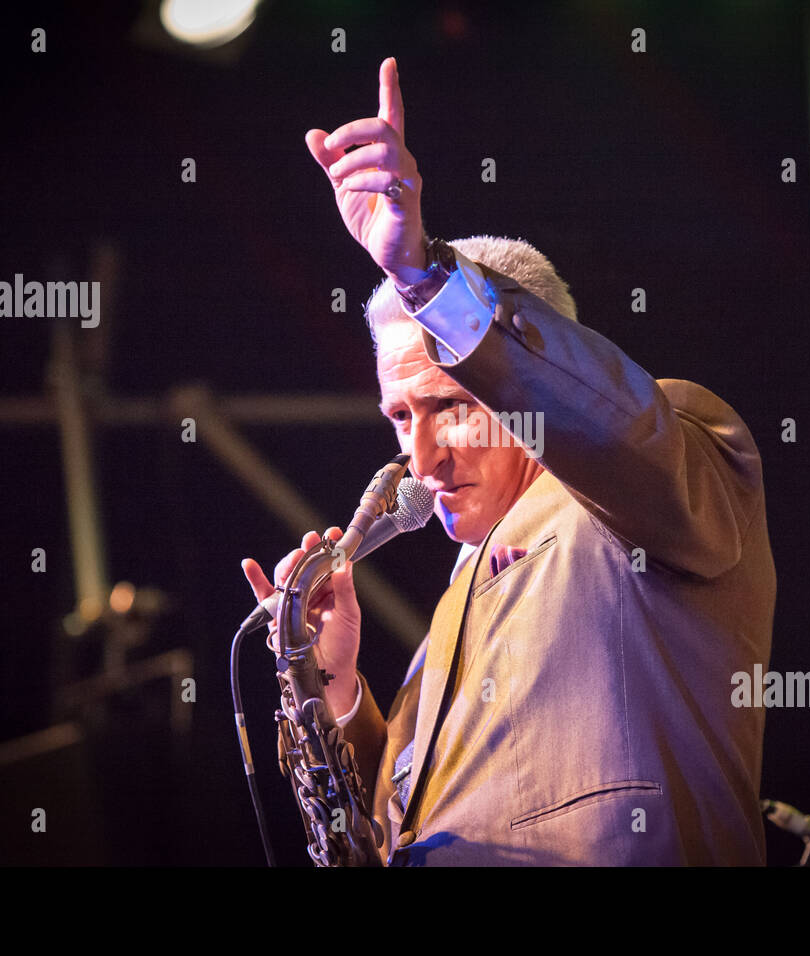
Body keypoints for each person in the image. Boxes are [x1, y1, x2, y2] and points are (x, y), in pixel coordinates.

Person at [243, 57, 776, 865]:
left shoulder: (655, 466)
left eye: (451, 404)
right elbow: (404, 830)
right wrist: (342, 691)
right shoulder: (454, 606)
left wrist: (424, 274)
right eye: (398, 417)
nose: (419, 458)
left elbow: (607, 424)